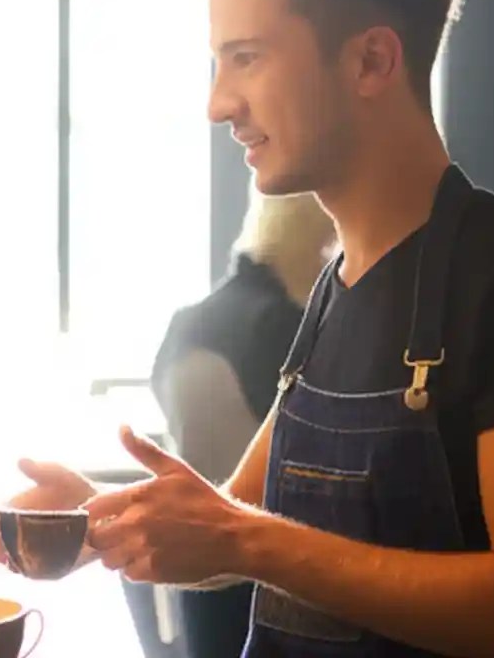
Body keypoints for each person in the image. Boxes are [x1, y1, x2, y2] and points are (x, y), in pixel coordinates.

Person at [0, 0, 494, 656]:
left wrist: (245, 541)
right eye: (218, 63)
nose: (219, 103)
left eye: (247, 58)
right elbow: (238, 520)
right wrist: (98, 520)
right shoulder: (333, 287)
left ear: (371, 61)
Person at [136, 188, 334, 658]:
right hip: (277, 588)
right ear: (318, 238)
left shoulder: (187, 322)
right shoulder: (291, 329)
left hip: (194, 585)